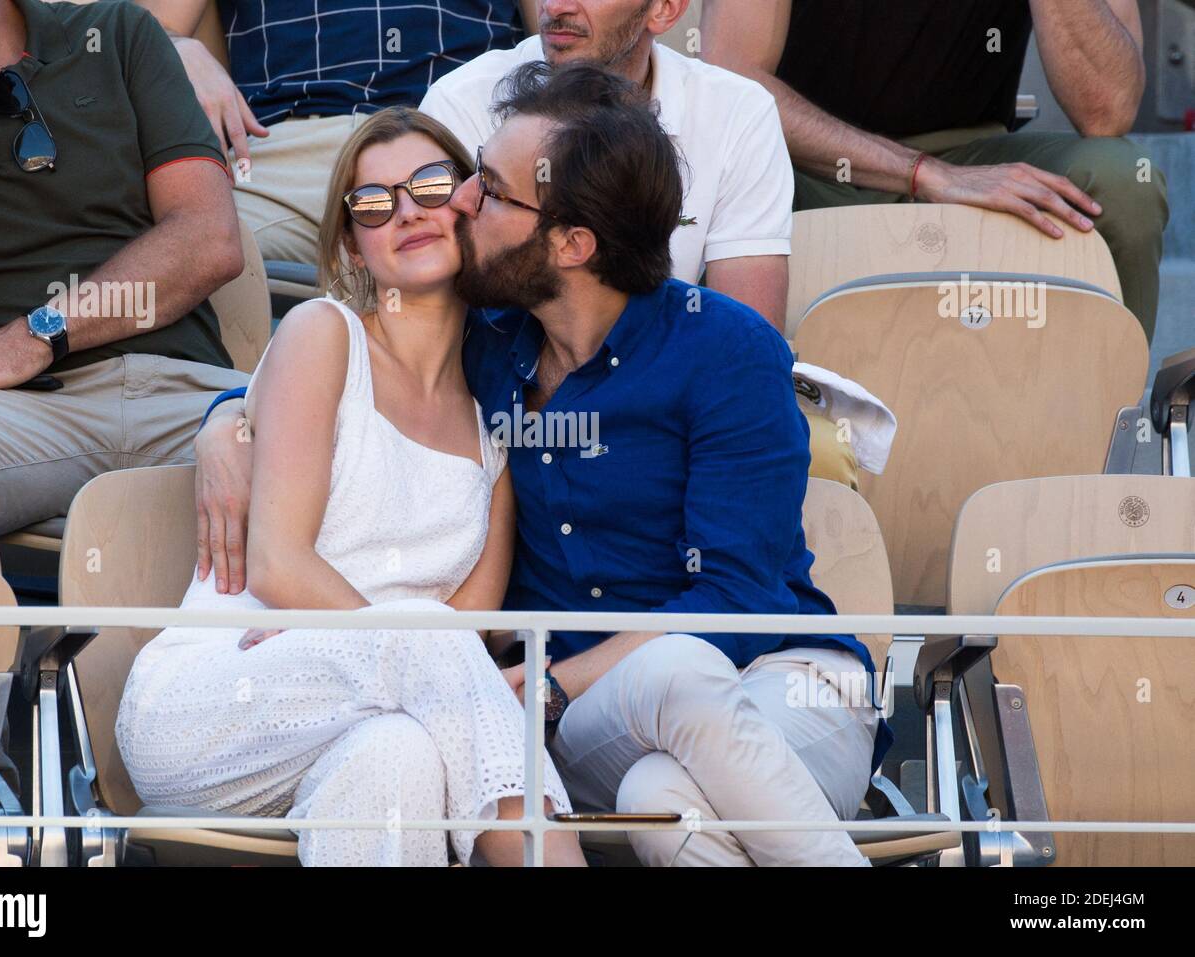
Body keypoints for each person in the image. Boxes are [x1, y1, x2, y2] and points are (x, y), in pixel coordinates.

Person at [197, 62, 891, 866]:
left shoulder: (727, 351)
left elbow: (735, 600)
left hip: (776, 684)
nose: (459, 200)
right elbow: (332, 361)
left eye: (487, 190)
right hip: (592, 723)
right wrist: (227, 420)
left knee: (666, 766)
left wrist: (560, 683)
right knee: (655, 792)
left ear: (570, 243)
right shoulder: (489, 340)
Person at [116, 106, 585, 868]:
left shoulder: (495, 411)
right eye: (374, 204)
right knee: (419, 638)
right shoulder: (323, 333)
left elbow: (469, 625)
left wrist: (374, 646)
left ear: (472, 204)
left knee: (396, 757)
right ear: (351, 246)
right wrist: (382, 637)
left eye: (431, 186)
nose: (406, 211)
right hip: (212, 700)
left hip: (367, 721)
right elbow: (277, 566)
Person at [420, 0, 896, 489]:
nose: (556, 7)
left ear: (666, 10)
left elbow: (747, 348)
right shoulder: (462, 101)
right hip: (502, 397)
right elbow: (439, 326)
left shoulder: (738, 110)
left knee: (809, 450)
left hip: (671, 393)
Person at [0, 0, 249, 534]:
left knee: (342, 442)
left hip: (180, 389)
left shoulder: (116, 32)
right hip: (3, 416)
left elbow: (209, 238)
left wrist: (35, 336)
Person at [700, 0, 1169, 340]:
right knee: (704, 182)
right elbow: (733, 74)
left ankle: (1104, 438)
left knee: (1123, 181)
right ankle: (743, 432)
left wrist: (944, 171)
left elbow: (1108, 113)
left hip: (973, 154)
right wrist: (921, 172)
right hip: (806, 165)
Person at [137, 0, 534, 264]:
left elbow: (566, 32)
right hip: (285, 150)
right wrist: (180, 49)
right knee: (179, 255)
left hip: (454, 136)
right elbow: (146, 28)